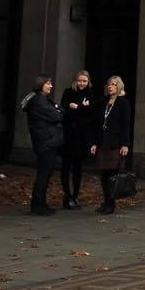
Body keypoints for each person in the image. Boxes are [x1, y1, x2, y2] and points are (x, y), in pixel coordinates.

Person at [20, 75, 63, 216]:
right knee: (44, 174)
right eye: (48, 83)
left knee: (44, 174)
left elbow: (59, 111)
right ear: (41, 85)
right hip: (46, 142)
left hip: (44, 141)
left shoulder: (41, 101)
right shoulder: (39, 101)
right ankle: (38, 205)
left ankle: (40, 204)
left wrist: (57, 109)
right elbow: (57, 116)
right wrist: (57, 110)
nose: (51, 86)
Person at [90, 75, 131, 215]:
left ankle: (111, 204)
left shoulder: (123, 103)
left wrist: (125, 144)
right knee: (103, 174)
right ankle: (106, 201)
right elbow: (97, 124)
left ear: (118, 86)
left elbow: (126, 125)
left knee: (113, 175)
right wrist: (95, 142)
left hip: (116, 144)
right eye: (109, 84)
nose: (110, 86)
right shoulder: (104, 102)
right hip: (103, 143)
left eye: (113, 84)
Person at [59, 70, 96, 209]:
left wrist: (78, 107)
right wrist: (82, 107)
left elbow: (92, 112)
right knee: (66, 166)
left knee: (78, 168)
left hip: (81, 137)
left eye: (84, 81)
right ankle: (67, 196)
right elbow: (65, 109)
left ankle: (75, 196)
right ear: (75, 81)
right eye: (79, 80)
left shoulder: (90, 93)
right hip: (68, 136)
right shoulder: (68, 92)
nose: (81, 83)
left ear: (88, 82)